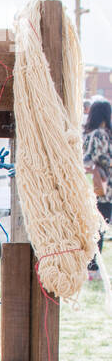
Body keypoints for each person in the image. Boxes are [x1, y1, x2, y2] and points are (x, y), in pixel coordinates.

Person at [83, 96, 112, 275]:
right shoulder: (101, 134)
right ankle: (93, 267)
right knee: (100, 226)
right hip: (104, 189)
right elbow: (101, 157)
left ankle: (92, 266)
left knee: (95, 227)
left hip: (93, 188)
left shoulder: (87, 134)